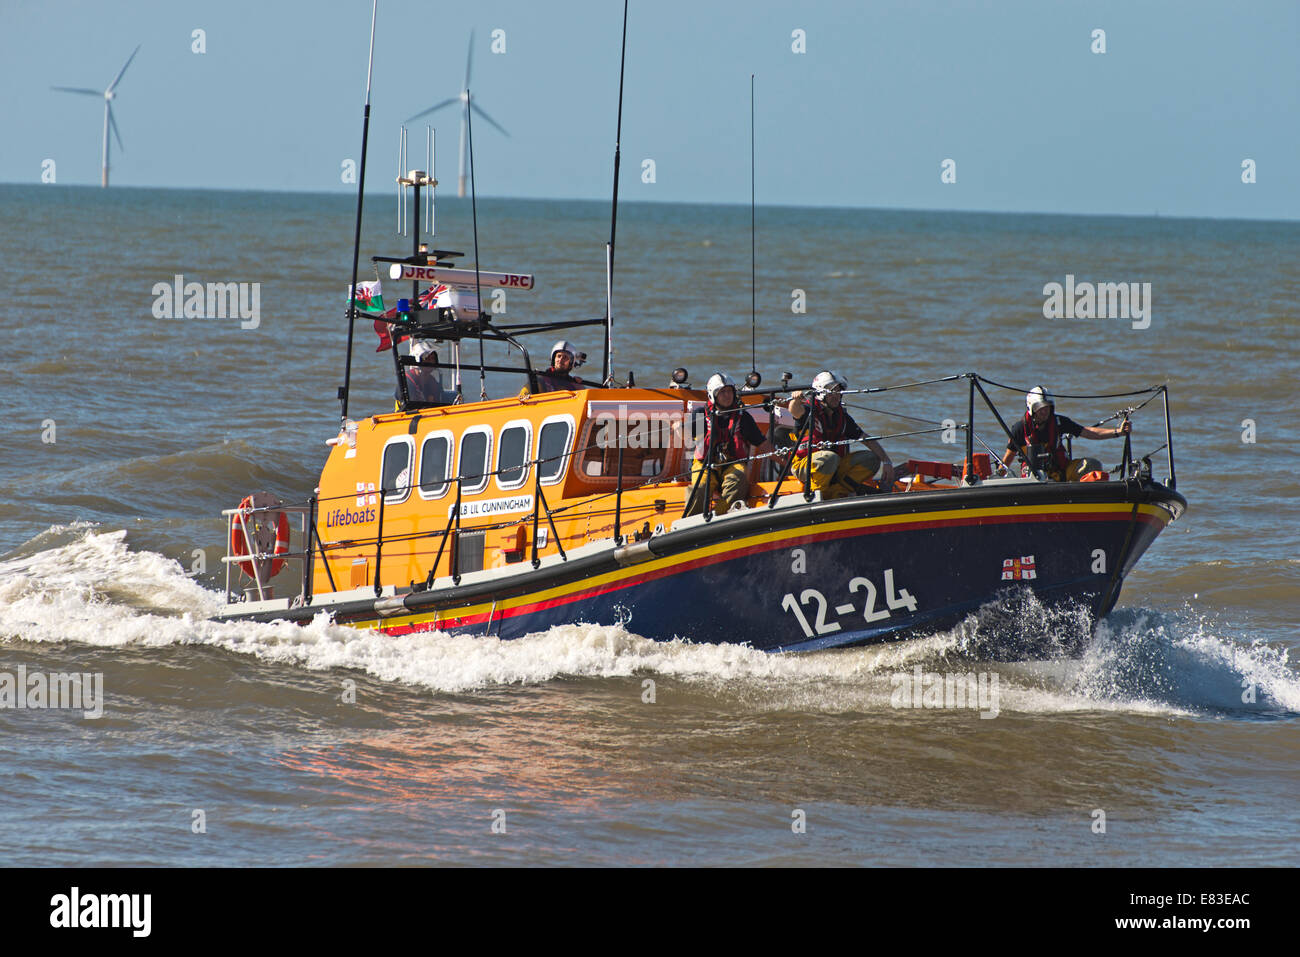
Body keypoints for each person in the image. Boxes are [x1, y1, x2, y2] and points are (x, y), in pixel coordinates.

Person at [787, 370, 896, 497]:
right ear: (821, 394)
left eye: (838, 392)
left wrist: (887, 461)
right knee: (829, 458)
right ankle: (816, 494)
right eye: (832, 393)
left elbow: (865, 438)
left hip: (832, 464)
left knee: (871, 459)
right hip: (804, 466)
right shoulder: (808, 411)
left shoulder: (842, 417)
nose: (836, 396)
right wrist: (795, 399)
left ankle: (838, 492)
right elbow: (795, 411)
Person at [684, 373, 771, 516]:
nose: (727, 395)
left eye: (729, 391)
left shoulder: (743, 417)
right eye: (722, 392)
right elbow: (688, 437)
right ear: (713, 395)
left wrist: (786, 461)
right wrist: (678, 429)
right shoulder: (700, 415)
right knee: (700, 486)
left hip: (732, 463)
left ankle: (718, 515)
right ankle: (690, 521)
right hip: (705, 463)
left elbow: (762, 443)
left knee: (739, 477)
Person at [1000, 386, 1130, 480]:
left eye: (1047, 407)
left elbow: (1089, 432)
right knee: (1035, 476)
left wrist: (1118, 432)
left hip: (1061, 471)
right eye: (1039, 408)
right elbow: (1008, 459)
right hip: (1033, 477)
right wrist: (998, 474)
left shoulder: (1059, 422)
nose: (1044, 411)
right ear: (1031, 408)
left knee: (1092, 465)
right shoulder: (1019, 429)